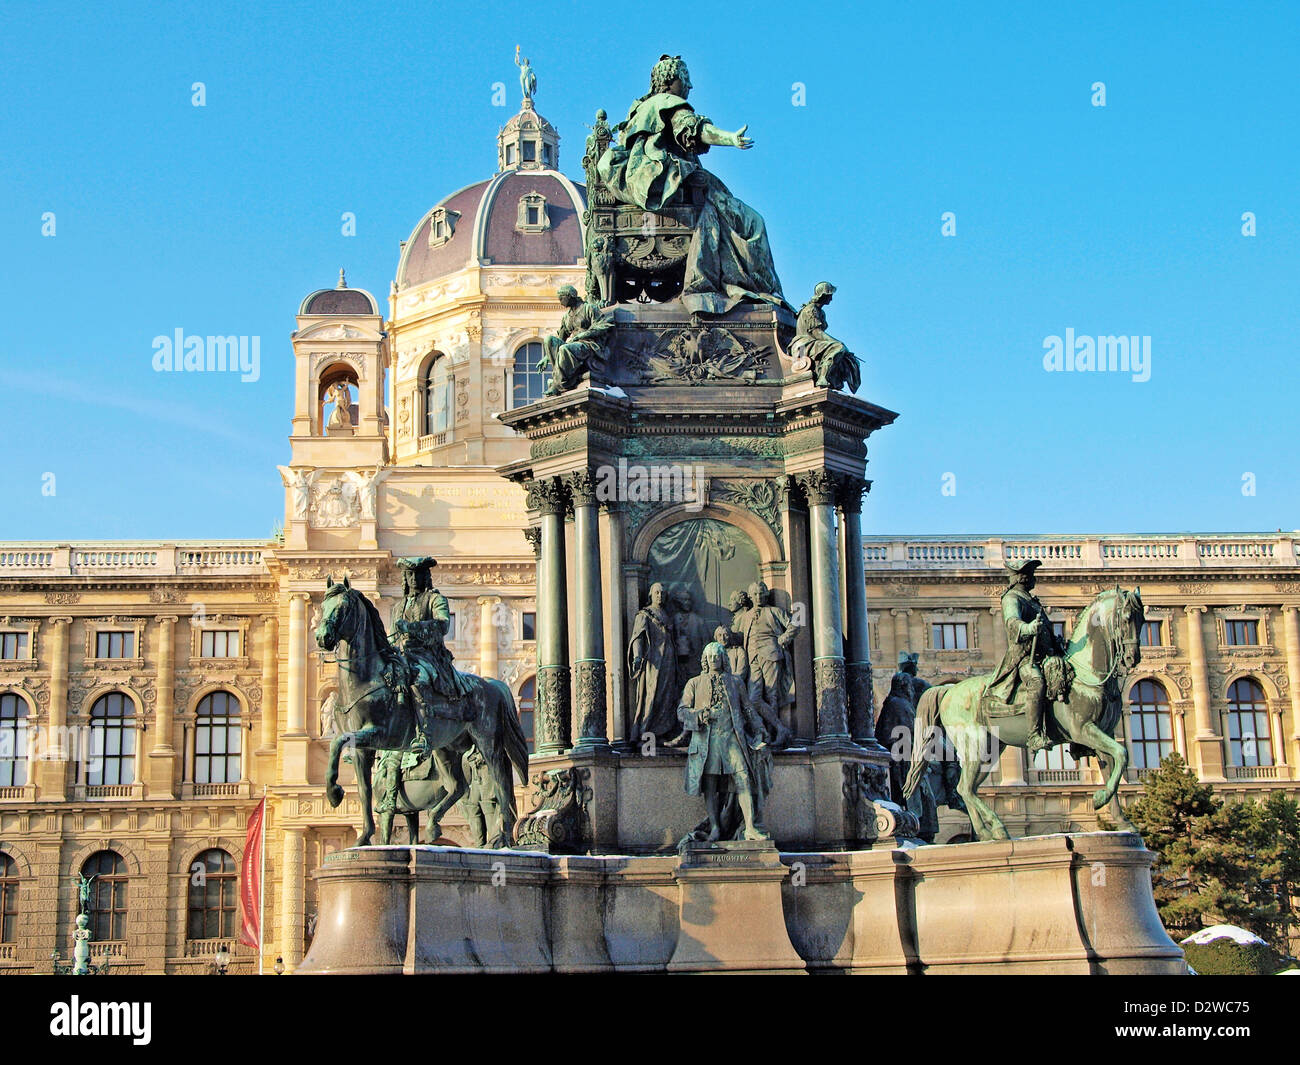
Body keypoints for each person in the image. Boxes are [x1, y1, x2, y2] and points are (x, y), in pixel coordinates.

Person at [597, 55, 786, 315]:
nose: (690, 86)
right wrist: (729, 138)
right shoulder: (668, 104)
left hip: (651, 188)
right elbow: (693, 130)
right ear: (671, 80)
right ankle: (757, 290)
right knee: (753, 222)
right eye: (686, 79)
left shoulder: (640, 110)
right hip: (678, 191)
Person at [677, 643, 771, 842]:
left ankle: (751, 828)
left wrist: (759, 728)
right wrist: (699, 715)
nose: (713, 660)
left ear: (723, 658)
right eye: (709, 657)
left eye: (717, 656)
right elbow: (682, 711)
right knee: (710, 785)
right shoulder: (694, 683)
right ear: (704, 660)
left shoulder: (735, 682)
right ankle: (716, 828)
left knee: (743, 778)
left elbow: (747, 709)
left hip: (732, 739)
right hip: (706, 742)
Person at [389, 556, 475, 756]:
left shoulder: (435, 599)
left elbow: (443, 624)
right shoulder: (398, 607)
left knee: (419, 680)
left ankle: (424, 732)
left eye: (417, 573)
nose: (413, 579)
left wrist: (412, 628)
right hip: (402, 656)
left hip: (428, 656)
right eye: (409, 574)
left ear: (425, 576)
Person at [983, 559, 1062, 753]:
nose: (1032, 577)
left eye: (1032, 573)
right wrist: (1029, 628)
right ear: (1020, 577)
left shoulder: (1032, 601)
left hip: (1046, 657)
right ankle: (1034, 735)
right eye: (1029, 574)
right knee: (1036, 683)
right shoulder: (1011, 598)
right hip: (1025, 658)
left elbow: (1047, 630)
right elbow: (1012, 623)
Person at [735, 580, 801, 724]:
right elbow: (740, 635)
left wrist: (784, 638)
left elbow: (795, 624)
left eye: (761, 594)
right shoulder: (746, 616)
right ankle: (765, 729)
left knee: (772, 694)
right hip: (752, 657)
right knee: (753, 697)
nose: (759, 597)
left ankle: (775, 732)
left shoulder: (774, 611)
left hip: (771, 655)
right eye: (755, 594)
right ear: (751, 596)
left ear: (765, 595)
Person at [628, 582, 679, 745]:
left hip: (669, 660)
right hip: (653, 662)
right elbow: (638, 637)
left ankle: (660, 731)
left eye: (663, 593)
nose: (660, 596)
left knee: (667, 695)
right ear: (651, 594)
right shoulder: (644, 614)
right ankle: (645, 731)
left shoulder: (666, 615)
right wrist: (637, 656)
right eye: (657, 592)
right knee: (652, 694)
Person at [539, 285, 613, 395]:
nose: (560, 302)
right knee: (549, 340)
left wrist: (583, 334)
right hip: (575, 345)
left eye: (561, 298)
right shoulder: (566, 317)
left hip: (589, 344)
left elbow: (603, 325)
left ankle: (558, 385)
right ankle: (563, 379)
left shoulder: (589, 308)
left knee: (564, 349)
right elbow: (561, 338)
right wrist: (546, 357)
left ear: (570, 296)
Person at [790, 282, 860, 392]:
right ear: (823, 295)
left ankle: (833, 379)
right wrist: (839, 343)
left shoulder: (820, 312)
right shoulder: (810, 309)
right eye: (829, 295)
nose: (831, 298)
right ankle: (823, 377)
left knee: (847, 357)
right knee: (838, 348)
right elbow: (817, 333)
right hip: (802, 346)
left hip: (812, 343)